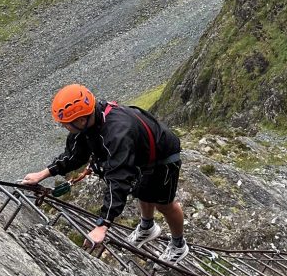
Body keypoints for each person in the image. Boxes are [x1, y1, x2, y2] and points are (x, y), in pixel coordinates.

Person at [22, 84, 189, 263]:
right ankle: (147, 227)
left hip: (164, 156)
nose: (63, 126)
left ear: (80, 120)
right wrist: (43, 174)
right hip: (142, 154)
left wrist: (103, 225)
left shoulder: (117, 134)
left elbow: (118, 179)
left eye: (65, 124)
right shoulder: (87, 123)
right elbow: (74, 156)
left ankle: (179, 245)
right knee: (142, 192)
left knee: (164, 204)